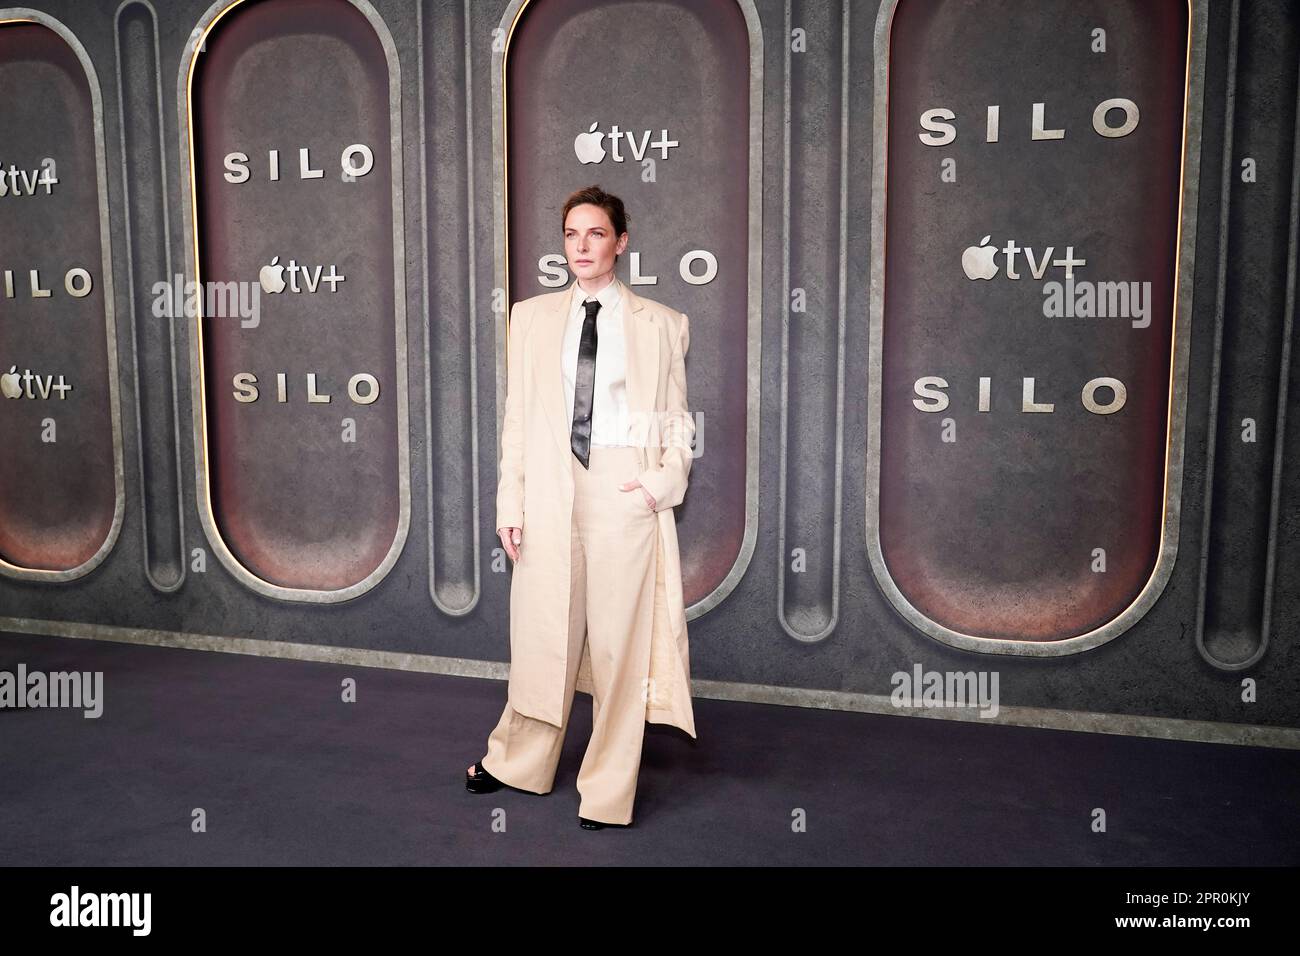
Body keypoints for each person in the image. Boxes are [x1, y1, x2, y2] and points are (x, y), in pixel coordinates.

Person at [465, 184, 697, 829]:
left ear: (621, 242)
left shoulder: (662, 324)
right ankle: (518, 761)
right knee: (544, 636)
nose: (581, 247)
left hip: (624, 489)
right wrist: (510, 500)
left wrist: (659, 485)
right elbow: (517, 421)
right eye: (571, 234)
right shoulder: (530, 317)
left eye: (595, 234)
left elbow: (676, 423)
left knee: (621, 646)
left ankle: (608, 789)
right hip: (547, 487)